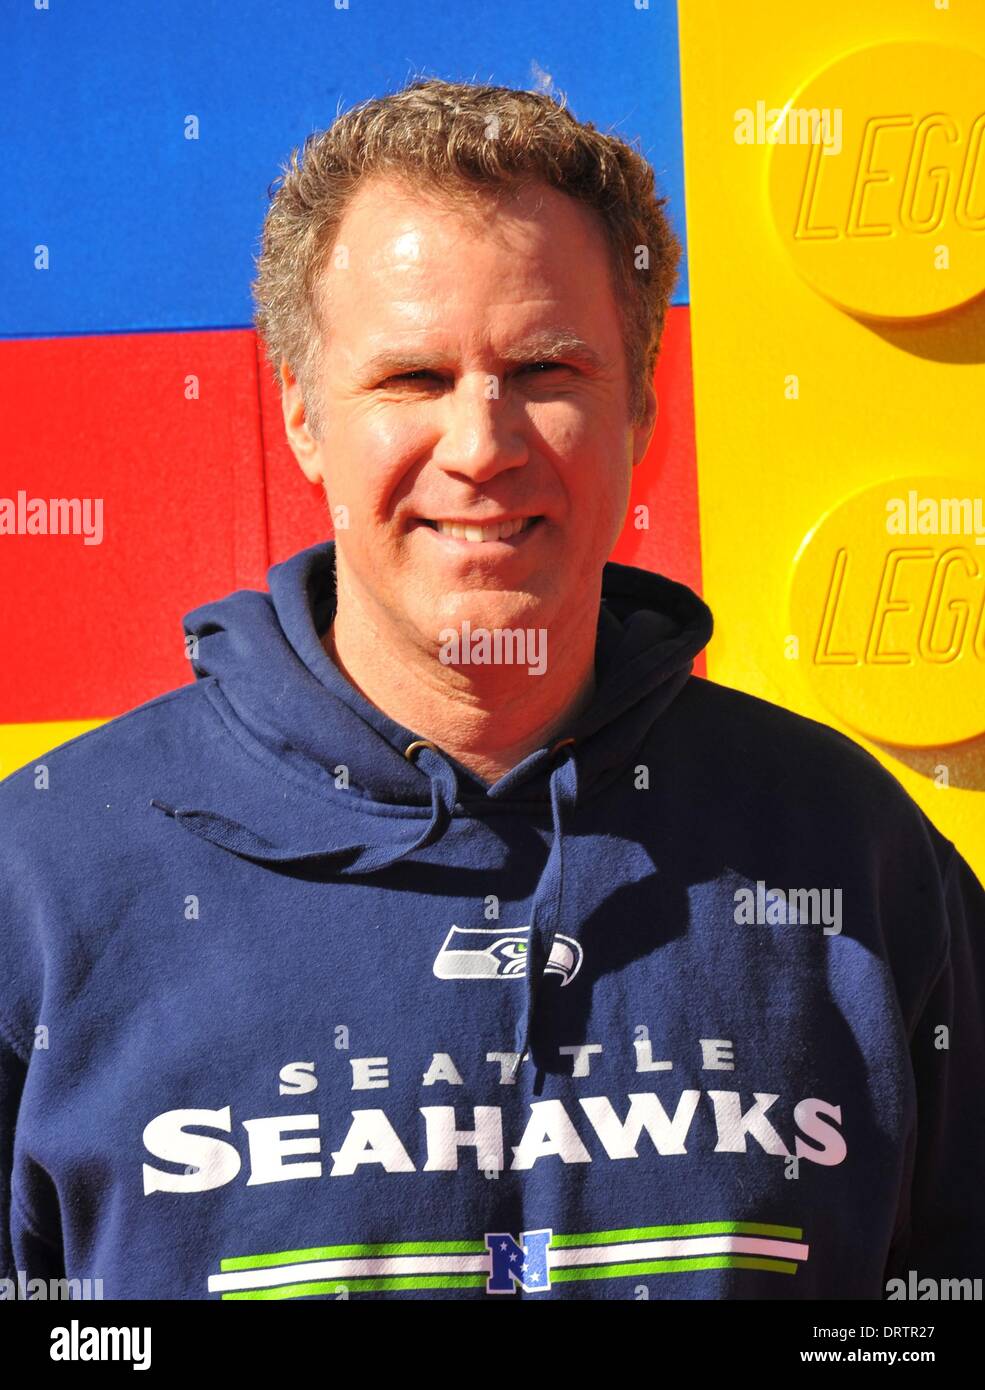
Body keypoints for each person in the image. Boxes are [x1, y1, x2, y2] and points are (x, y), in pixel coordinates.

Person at [1, 78, 983, 1303]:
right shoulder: (41, 880)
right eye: (413, 378)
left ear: (641, 406)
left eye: (544, 367)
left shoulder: (853, 853)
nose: (480, 444)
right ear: (302, 415)